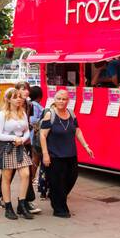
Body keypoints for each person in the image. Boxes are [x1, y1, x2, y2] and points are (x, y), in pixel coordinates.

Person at [39, 88, 94, 218]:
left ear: (68, 101)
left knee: (71, 178)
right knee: (57, 182)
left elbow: (77, 131)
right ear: (54, 100)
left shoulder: (71, 113)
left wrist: (86, 146)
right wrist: (45, 154)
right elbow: (42, 135)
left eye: (64, 99)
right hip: (55, 156)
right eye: (59, 99)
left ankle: (55, 196)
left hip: (70, 154)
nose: (61, 101)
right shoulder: (50, 115)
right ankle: (60, 209)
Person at [0, 88, 33, 221]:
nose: (19, 99)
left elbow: (27, 130)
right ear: (8, 99)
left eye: (20, 97)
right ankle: (8, 206)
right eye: (15, 97)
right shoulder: (3, 114)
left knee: (26, 174)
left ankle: (22, 204)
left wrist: (22, 139)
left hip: (20, 147)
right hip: (7, 148)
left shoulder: (23, 113)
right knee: (7, 177)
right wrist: (13, 139)